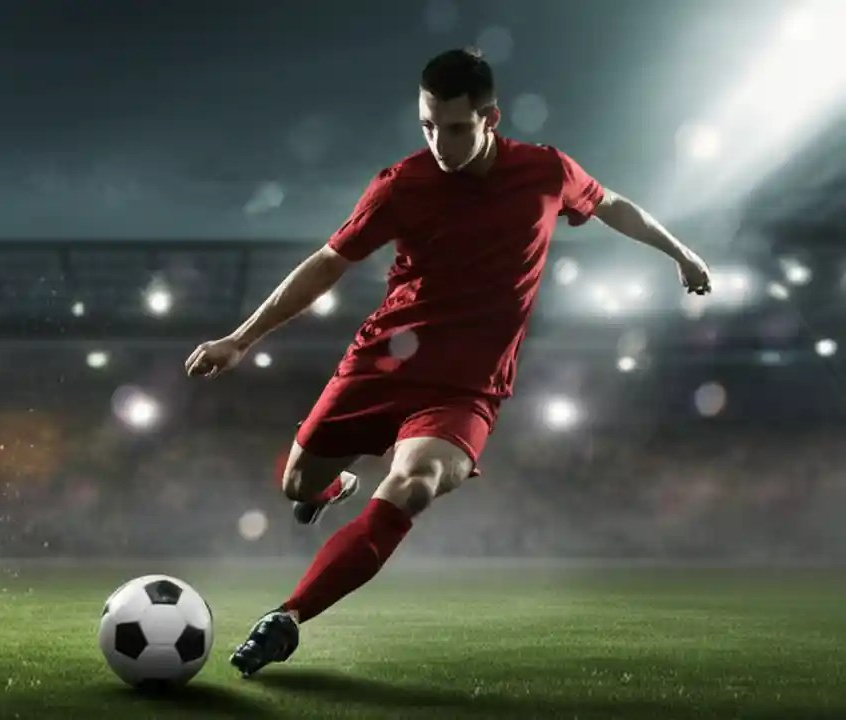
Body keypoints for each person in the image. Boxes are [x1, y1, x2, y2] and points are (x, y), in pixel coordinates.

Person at [182, 47, 713, 677]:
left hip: (465, 388)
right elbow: (328, 263)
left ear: (491, 117)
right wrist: (240, 339)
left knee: (413, 484)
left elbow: (613, 204)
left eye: (455, 128)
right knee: (296, 484)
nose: (440, 142)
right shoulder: (400, 185)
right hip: (381, 364)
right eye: (428, 126)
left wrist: (680, 252)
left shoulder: (544, 171)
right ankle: (334, 485)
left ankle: (288, 617)